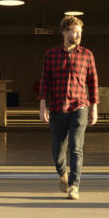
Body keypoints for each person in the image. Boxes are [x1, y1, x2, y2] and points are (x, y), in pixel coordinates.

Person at [38, 15, 99, 199]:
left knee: (76, 146)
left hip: (79, 107)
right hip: (57, 108)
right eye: (74, 31)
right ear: (64, 32)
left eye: (80, 31)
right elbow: (44, 82)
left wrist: (94, 107)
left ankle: (74, 186)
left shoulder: (87, 55)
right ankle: (62, 173)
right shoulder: (51, 54)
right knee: (57, 150)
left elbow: (93, 82)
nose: (78, 34)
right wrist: (42, 106)